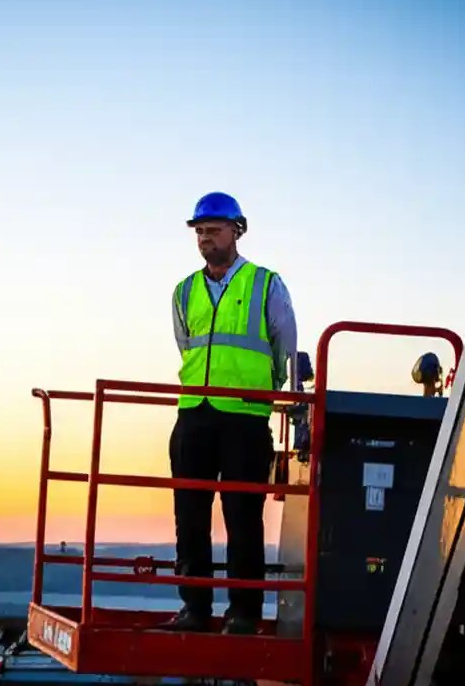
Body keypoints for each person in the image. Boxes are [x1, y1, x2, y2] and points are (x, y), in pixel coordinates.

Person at [162, 191, 297, 635]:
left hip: (244, 418)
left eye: (213, 230)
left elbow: (284, 349)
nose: (204, 239)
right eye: (199, 231)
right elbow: (187, 346)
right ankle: (196, 609)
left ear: (236, 231)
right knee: (190, 517)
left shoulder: (265, 283)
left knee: (243, 518)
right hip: (194, 416)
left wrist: (265, 393)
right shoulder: (184, 292)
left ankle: (243, 613)